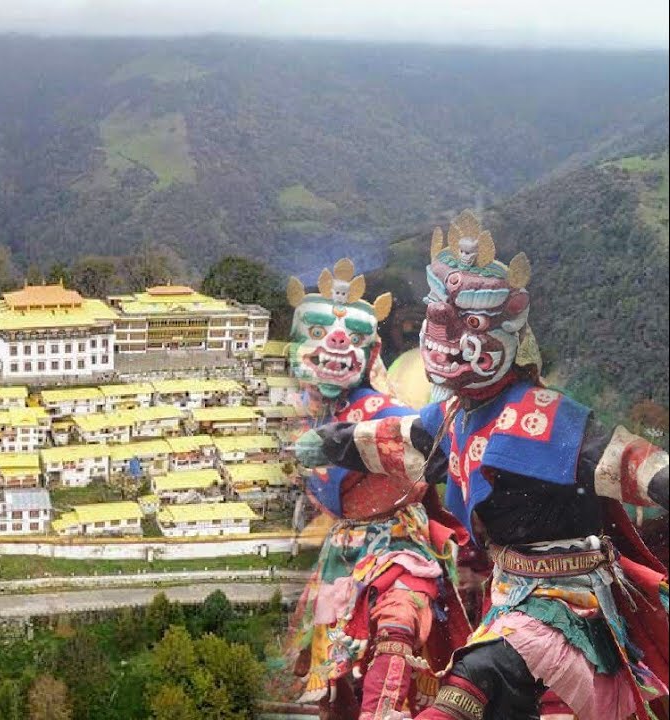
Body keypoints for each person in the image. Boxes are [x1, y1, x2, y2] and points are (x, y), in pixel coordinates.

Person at [298, 211, 669, 720]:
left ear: (510, 335)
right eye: (437, 315)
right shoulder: (453, 416)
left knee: (474, 681)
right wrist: (331, 443)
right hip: (509, 595)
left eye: (469, 323)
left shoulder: (550, 418)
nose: (446, 334)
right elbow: (395, 441)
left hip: (568, 601)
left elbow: (628, 463)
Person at [285, 259, 470, 719]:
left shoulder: (379, 407)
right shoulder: (307, 415)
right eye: (316, 336)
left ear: (370, 353)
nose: (334, 346)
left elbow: (426, 450)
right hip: (343, 548)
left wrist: (344, 446)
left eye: (349, 341)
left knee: (397, 627)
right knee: (335, 675)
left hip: (398, 540)